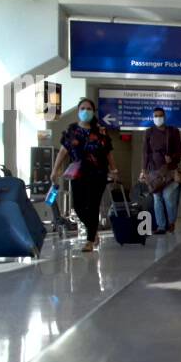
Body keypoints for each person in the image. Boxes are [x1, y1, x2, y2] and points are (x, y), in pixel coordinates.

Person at [51, 98, 119, 252]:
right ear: (78, 111)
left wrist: (114, 170)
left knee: (93, 205)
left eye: (89, 108)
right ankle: (93, 231)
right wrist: (55, 170)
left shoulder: (100, 131)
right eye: (83, 108)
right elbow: (63, 151)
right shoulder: (72, 130)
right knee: (79, 206)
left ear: (93, 112)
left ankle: (89, 240)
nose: (85, 111)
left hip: (98, 173)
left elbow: (108, 153)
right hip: (78, 173)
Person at [141, 107, 181, 234]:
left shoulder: (173, 131)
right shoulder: (148, 132)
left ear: (164, 117)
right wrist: (143, 170)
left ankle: (171, 222)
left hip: (169, 171)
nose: (158, 118)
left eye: (160, 115)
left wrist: (173, 158)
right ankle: (161, 226)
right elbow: (145, 152)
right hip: (153, 172)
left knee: (168, 198)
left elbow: (179, 150)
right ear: (153, 117)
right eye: (155, 115)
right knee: (157, 199)